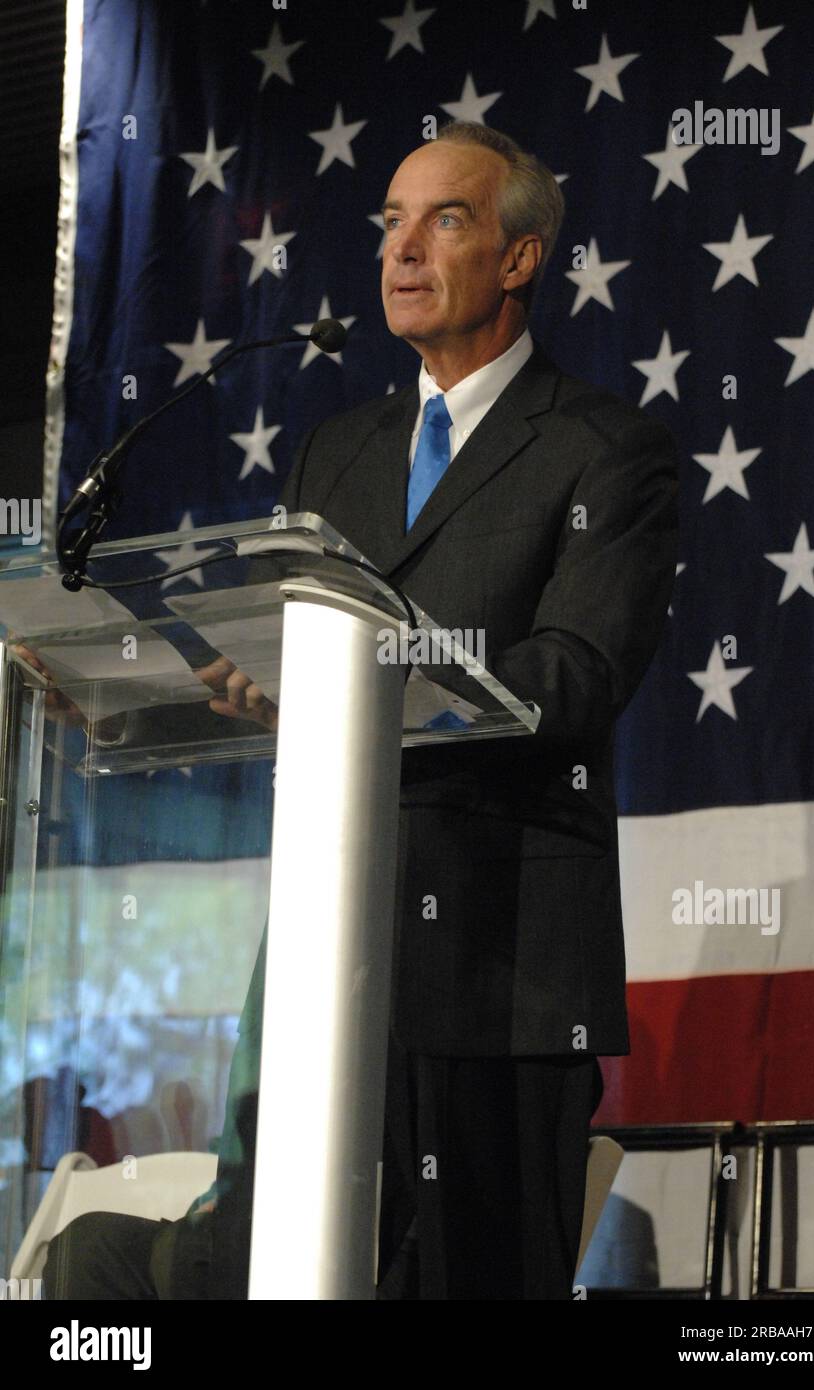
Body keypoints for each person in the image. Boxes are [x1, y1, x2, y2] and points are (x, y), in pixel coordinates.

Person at [43, 120, 678, 1299]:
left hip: (499, 965)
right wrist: (248, 682)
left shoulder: (604, 451)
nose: (399, 249)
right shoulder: (337, 452)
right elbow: (303, 671)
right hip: (331, 954)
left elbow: (578, 675)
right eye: (388, 221)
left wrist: (387, 677)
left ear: (519, 257)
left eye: (442, 219)